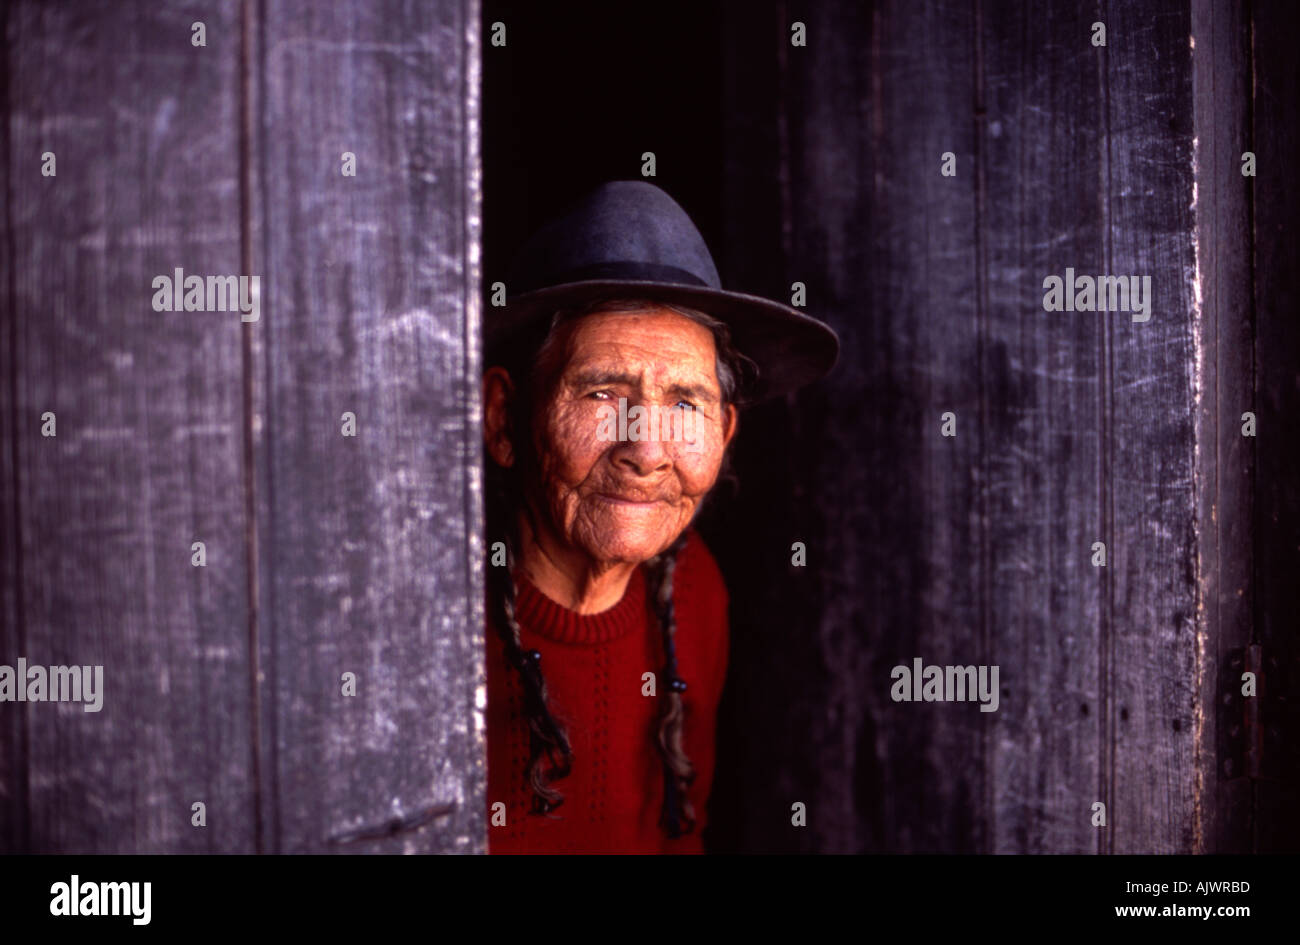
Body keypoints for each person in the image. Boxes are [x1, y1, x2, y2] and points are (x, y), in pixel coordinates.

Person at [483, 180, 838, 853]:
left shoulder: (694, 589)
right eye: (602, 390)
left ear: (726, 431)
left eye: (684, 404)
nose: (646, 450)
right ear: (505, 418)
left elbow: (682, 834)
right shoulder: (426, 626)